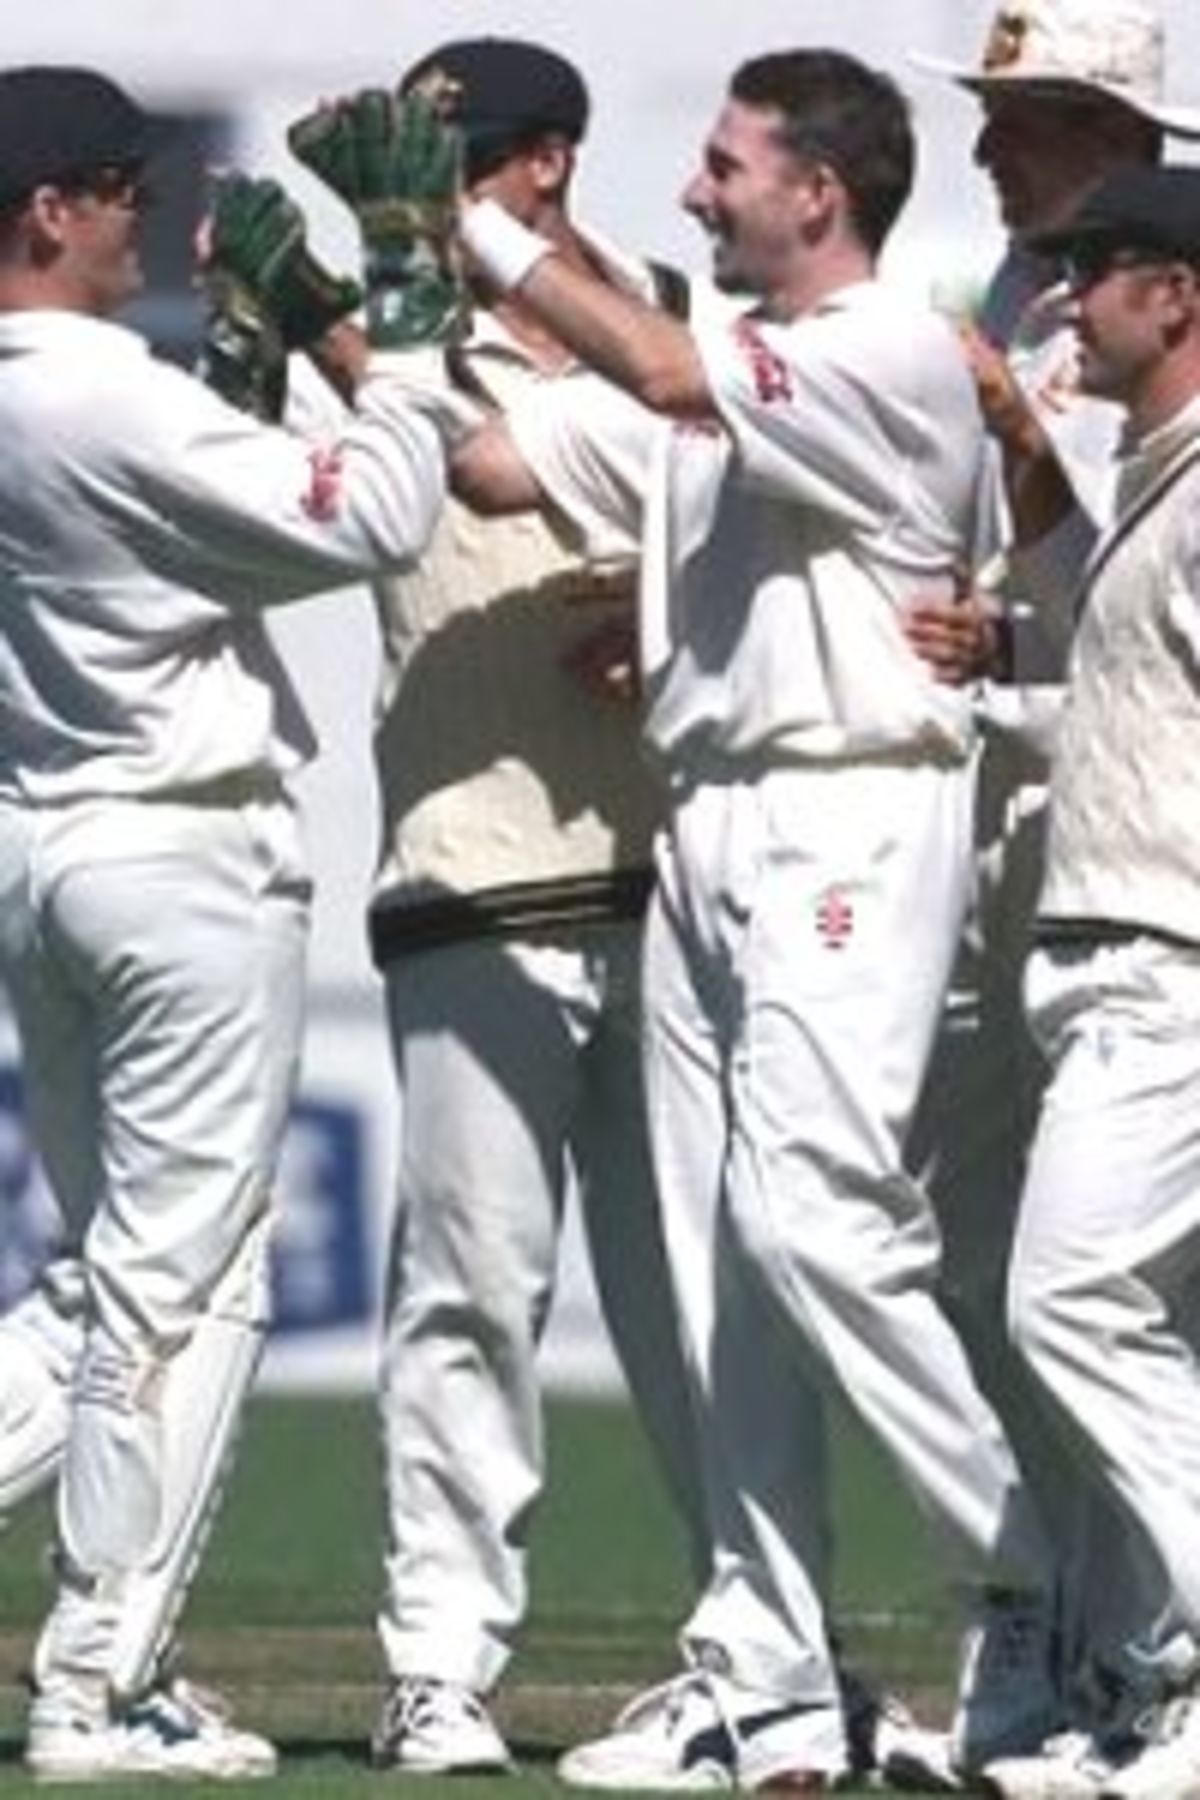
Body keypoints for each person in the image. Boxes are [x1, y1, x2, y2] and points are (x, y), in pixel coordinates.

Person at [414, 46, 1063, 1788]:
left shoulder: (890, 356)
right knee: (724, 1284)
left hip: (855, 806)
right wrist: (337, 314)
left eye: (721, 166)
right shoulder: (719, 393)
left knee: (822, 1228)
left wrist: (474, 226)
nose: (694, 194)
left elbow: (659, 366)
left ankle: (1043, 1589)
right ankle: (766, 1690)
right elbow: (491, 466)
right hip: (708, 825)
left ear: (816, 193)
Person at [0, 62, 447, 1781]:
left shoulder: (73, 402)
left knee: (108, 1287)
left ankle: (110, 1667)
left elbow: (191, 540)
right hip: (177, 863)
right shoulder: (96, 392)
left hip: (49, 855)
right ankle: (97, 1687)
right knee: (183, 1297)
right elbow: (379, 514)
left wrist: (248, 367)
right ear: (49, 209)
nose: (140, 211)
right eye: (115, 183)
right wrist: (403, 280)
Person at [313, 37, 710, 1775]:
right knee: (471, 1291)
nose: (422, 181)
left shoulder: (680, 310)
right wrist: (319, 321)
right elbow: (426, 478)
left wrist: (660, 606)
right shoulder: (377, 332)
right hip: (470, 865)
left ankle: (754, 1656)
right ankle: (441, 1668)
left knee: (708, 1295)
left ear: (542, 164)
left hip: (684, 875)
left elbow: (745, 520)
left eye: (451, 153)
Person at [900, 3, 1200, 1778]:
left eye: (1100, 263)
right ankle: (1118, 1682)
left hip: (1164, 935)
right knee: (1071, 1300)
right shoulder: (1147, 452)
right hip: (1084, 901)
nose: (998, 153)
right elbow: (1125, 654)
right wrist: (1017, 652)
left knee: (1075, 1302)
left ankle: (1162, 1666)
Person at [972, 160, 1200, 1800]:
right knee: (1123, 1326)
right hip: (1112, 957)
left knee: (1068, 1297)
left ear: (1177, 292)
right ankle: (1142, 1708)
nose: (1062, 299)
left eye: (1095, 270)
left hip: (1174, 967)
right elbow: (1138, 725)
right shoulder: (1159, 486)